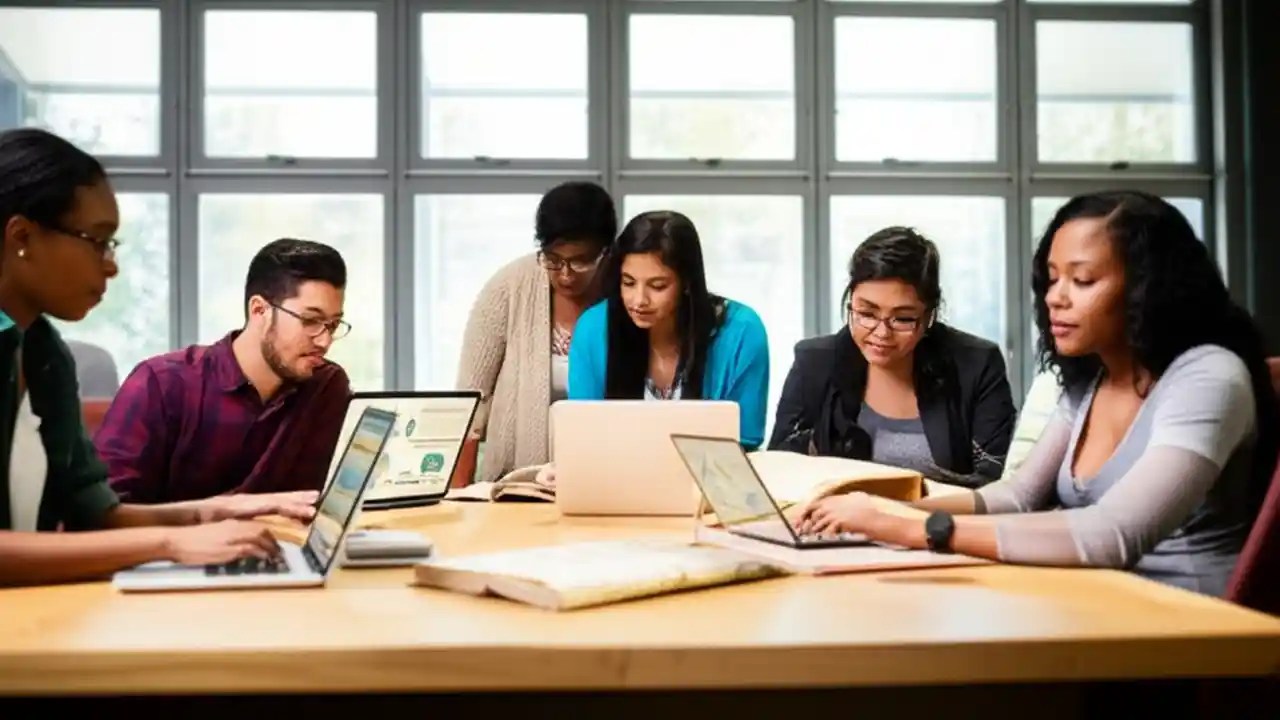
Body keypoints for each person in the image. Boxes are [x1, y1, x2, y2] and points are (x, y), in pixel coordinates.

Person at [798, 191, 1280, 598]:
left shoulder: (1209, 376)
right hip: (1092, 598)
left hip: (1185, 622)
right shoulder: (1091, 377)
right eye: (1052, 278)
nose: (1055, 296)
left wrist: (907, 527)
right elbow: (1017, 496)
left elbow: (1111, 534)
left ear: (1150, 288)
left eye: (1083, 280)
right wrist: (873, 512)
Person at [0, 127, 313, 587]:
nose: (111, 265)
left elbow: (95, 514)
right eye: (98, 240)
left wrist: (222, 509)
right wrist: (168, 545)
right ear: (22, 236)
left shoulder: (45, 354)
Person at [94, 238, 353, 502]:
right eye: (310, 321)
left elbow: (327, 501)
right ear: (259, 310)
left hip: (286, 542)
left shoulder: (326, 386)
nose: (325, 341)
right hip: (176, 542)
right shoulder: (161, 384)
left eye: (332, 324)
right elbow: (106, 512)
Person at [770, 227, 1016, 487]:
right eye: (866, 313)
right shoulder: (815, 364)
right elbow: (779, 468)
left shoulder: (976, 365)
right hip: (828, 524)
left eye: (903, 319)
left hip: (939, 523)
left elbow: (996, 484)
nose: (881, 333)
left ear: (929, 316)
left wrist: (897, 511)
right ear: (850, 300)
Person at [456, 181, 617, 485]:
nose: (566, 274)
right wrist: (457, 497)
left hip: (604, 478)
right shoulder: (508, 288)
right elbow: (470, 403)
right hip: (515, 481)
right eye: (554, 260)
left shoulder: (627, 294)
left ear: (606, 253)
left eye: (580, 261)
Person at [568, 210, 770, 449]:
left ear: (686, 283)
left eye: (657, 286)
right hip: (615, 480)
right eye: (628, 283)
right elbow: (583, 435)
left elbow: (745, 438)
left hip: (707, 481)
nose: (639, 300)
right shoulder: (593, 328)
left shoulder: (741, 331)